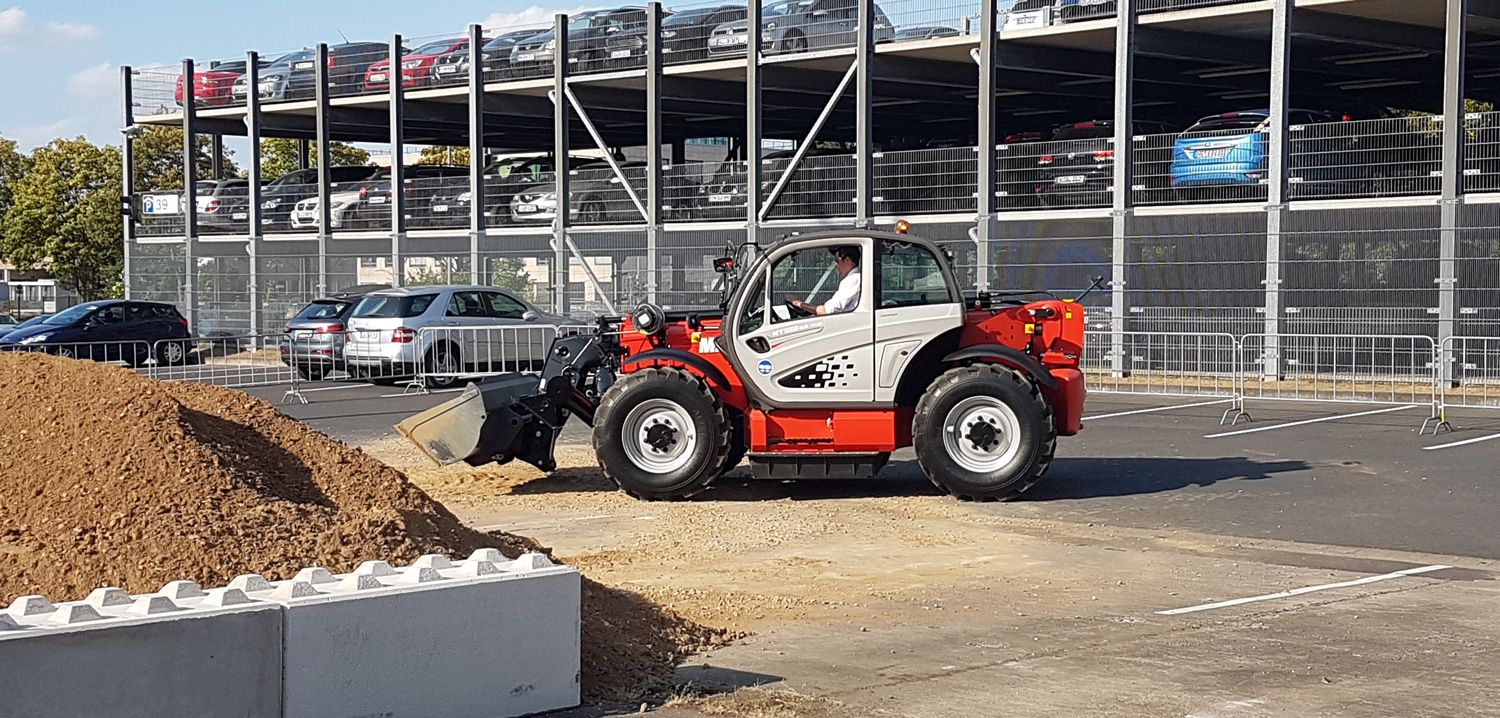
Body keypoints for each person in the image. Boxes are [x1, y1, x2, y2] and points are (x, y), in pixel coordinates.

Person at [790, 245, 860, 315]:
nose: (836, 265)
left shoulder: (853, 279)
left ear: (847, 260)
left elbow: (827, 311)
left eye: (837, 261)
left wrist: (798, 303)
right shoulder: (855, 278)